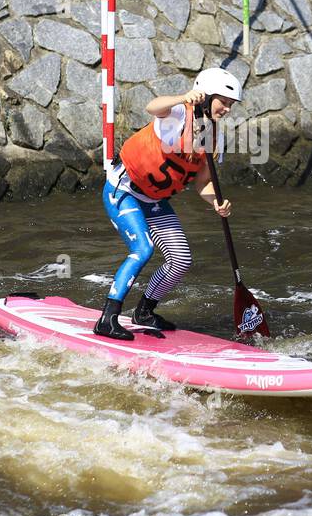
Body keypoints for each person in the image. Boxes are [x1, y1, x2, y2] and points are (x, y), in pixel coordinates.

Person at [95, 67, 241, 340]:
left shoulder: (215, 136)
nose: (228, 110)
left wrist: (216, 203)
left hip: (154, 200)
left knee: (181, 260)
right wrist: (183, 97)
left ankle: (144, 312)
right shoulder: (176, 114)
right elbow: (152, 106)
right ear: (207, 97)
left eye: (232, 105)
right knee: (143, 249)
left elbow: (203, 184)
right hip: (123, 189)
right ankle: (107, 318)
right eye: (224, 102)